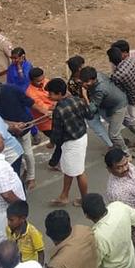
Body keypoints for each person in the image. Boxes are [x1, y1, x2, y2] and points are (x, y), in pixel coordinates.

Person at [44, 78, 89, 207]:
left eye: (51, 93)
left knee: (78, 172)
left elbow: (57, 131)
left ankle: (85, 199)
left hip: (71, 143)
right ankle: (64, 195)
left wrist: (52, 143)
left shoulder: (59, 110)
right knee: (69, 170)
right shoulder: (76, 100)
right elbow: (89, 114)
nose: (49, 96)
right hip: (81, 136)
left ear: (59, 93)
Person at [104, 148, 135, 213]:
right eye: (119, 167)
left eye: (126, 163)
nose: (125, 169)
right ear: (109, 169)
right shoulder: (118, 193)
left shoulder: (127, 165)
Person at [5, 200, 44, 265]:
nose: (8, 223)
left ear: (22, 218)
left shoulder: (32, 232)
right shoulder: (8, 229)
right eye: (8, 219)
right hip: (17, 263)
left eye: (11, 220)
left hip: (30, 265)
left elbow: (41, 252)